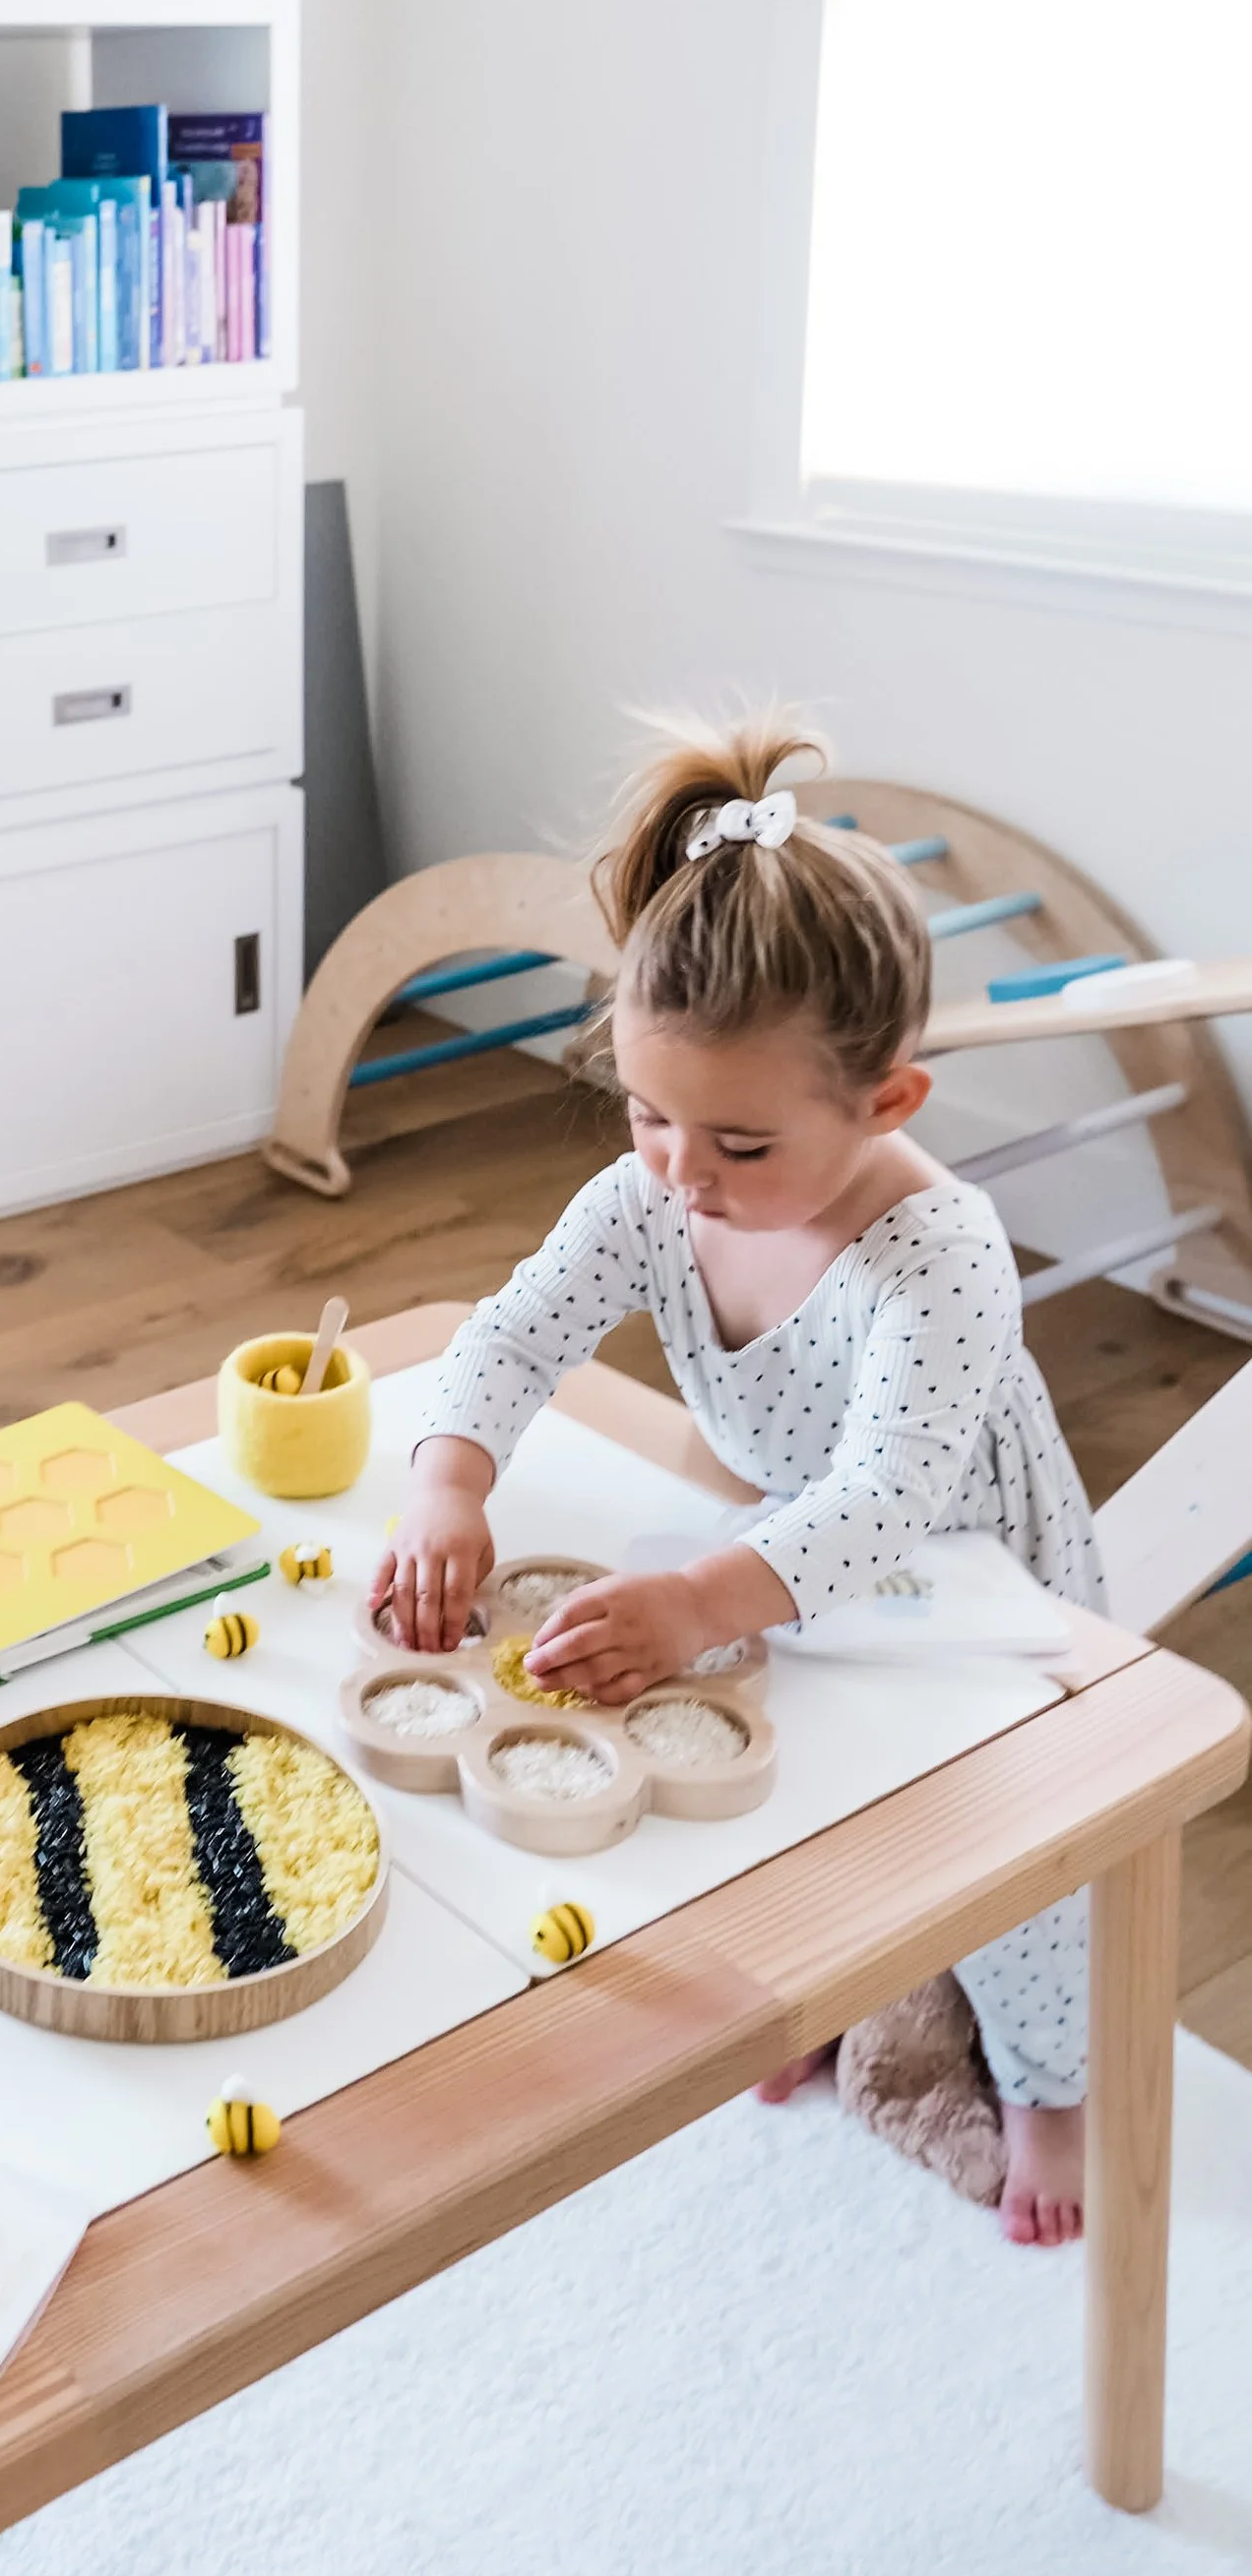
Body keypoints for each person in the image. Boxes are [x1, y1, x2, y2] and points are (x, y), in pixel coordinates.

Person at [373, 718, 1105, 2244]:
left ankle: (1051, 2082)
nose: (682, 1172)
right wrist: (449, 1479)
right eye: (648, 1113)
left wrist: (703, 1596)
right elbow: (511, 1332)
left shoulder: (944, 1253)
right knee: (788, 1784)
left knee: (1009, 1836)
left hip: (977, 1576)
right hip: (784, 1549)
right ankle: (851, 1984)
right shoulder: (655, 1193)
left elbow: (886, 1497)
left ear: (887, 1104)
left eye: (741, 1141)